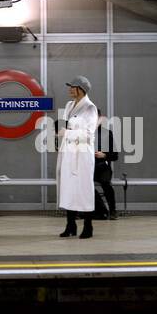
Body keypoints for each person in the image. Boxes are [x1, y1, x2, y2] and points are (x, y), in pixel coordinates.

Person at [57, 75, 99, 238]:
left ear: (81, 89)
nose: (69, 89)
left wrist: (67, 133)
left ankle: (88, 226)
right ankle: (70, 225)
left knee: (83, 188)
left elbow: (89, 133)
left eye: (72, 86)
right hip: (69, 152)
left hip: (82, 154)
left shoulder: (90, 108)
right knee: (68, 187)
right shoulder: (68, 105)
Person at [94, 120, 118, 219]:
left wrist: (104, 155)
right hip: (88, 167)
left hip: (103, 167)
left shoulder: (107, 134)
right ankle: (101, 210)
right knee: (84, 185)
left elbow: (115, 156)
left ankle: (112, 211)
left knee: (106, 183)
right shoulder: (84, 133)